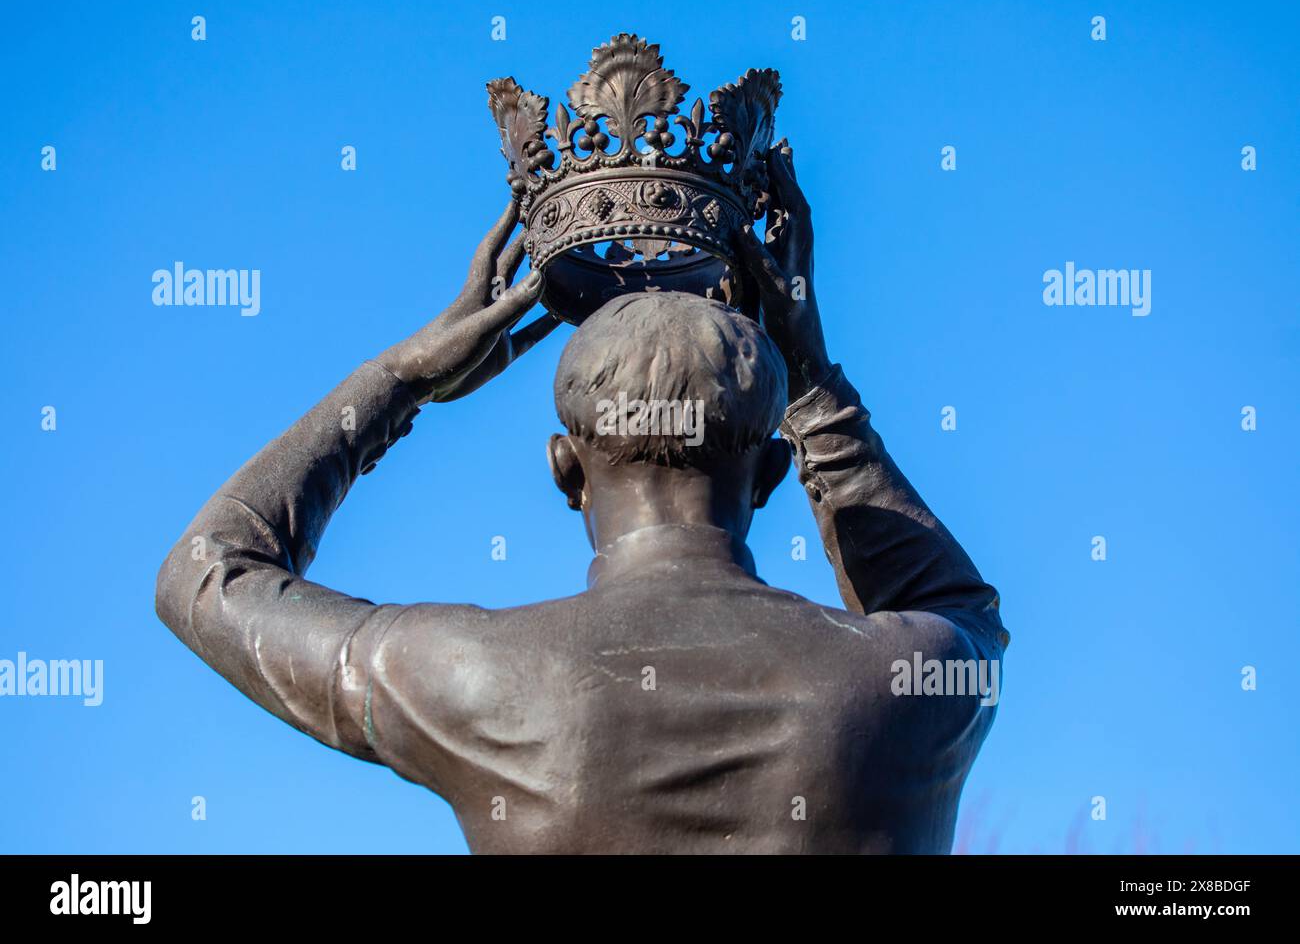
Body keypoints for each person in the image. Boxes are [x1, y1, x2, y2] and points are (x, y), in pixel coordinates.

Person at [156, 143, 1008, 853]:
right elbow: (957, 605)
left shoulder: (471, 674)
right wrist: (814, 389)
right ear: (774, 476)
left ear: (565, 471)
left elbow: (208, 575)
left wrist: (398, 382)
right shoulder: (904, 685)